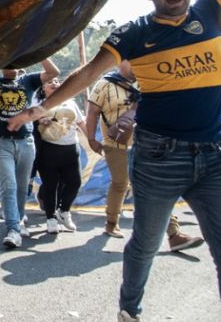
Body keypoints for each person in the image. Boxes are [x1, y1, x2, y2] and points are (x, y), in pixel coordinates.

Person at [7, 0, 221, 322]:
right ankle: (129, 310)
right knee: (145, 242)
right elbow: (87, 75)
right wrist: (39, 109)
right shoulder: (133, 34)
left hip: (216, 156)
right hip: (160, 156)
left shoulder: (213, 14)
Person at [84, 61, 206, 251]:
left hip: (148, 142)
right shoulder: (105, 84)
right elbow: (92, 112)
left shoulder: (146, 80)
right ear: (120, 63)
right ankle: (111, 222)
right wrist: (91, 138)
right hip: (116, 144)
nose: (133, 64)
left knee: (155, 186)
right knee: (120, 183)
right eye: (129, 61)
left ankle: (174, 234)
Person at [0, 59, 59, 249]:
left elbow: (53, 72)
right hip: (0, 143)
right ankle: (13, 230)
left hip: (26, 142)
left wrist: (39, 53)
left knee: (21, 186)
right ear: (2, 65)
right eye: (9, 61)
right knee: (8, 185)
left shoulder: (29, 81)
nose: (12, 65)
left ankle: (17, 221)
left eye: (16, 61)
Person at [35, 77, 86, 234]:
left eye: (57, 81)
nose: (55, 84)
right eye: (50, 82)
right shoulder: (38, 105)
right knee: (51, 186)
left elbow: (81, 122)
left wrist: (92, 140)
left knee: (74, 183)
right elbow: (27, 123)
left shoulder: (71, 102)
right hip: (48, 149)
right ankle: (50, 218)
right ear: (43, 88)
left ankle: (63, 211)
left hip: (71, 149)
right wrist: (38, 121)